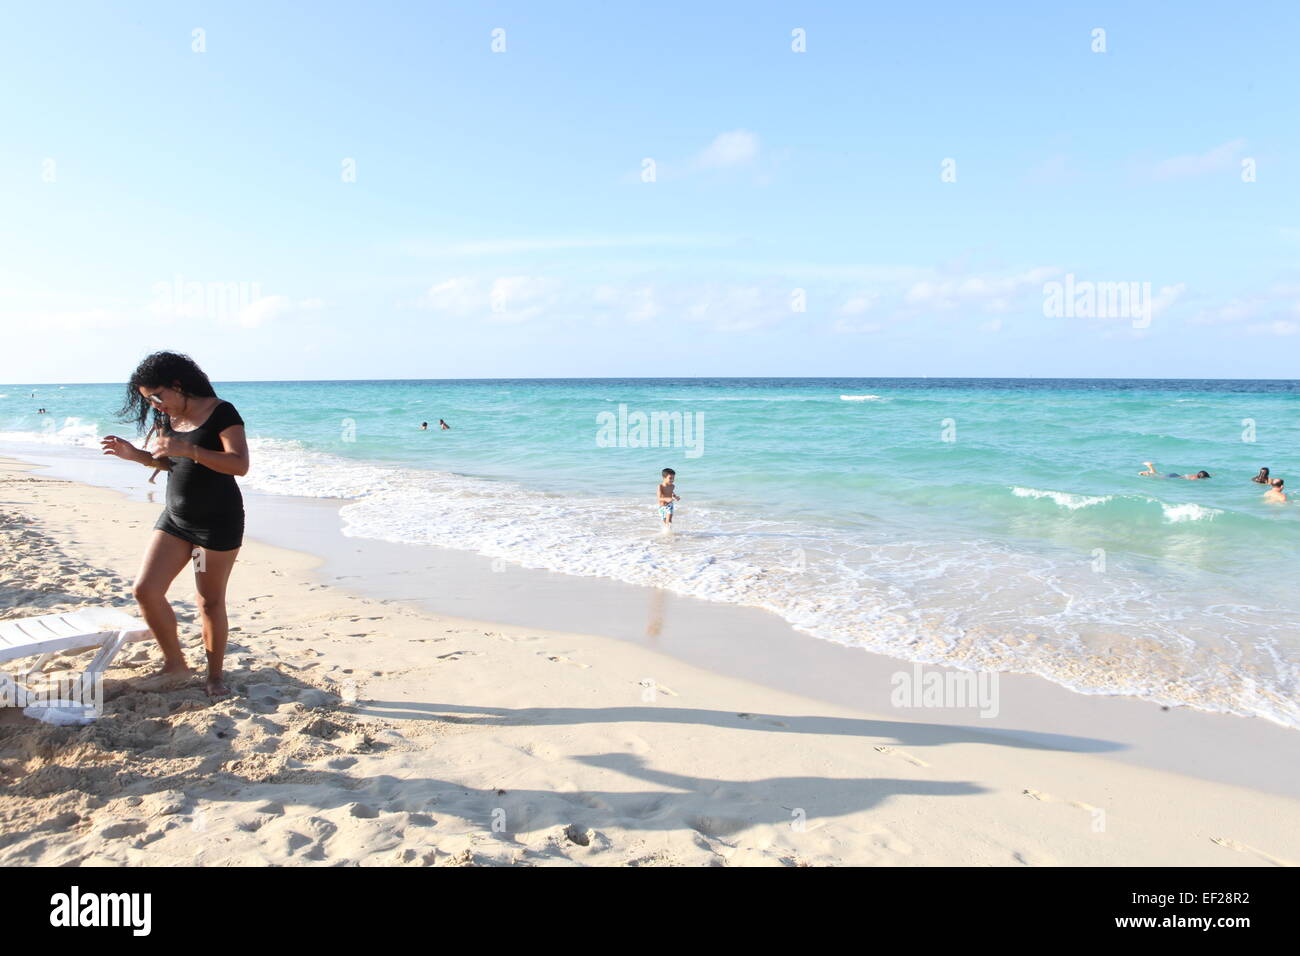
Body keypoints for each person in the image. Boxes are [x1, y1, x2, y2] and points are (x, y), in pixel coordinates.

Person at [99, 351, 249, 698]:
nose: (155, 404)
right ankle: (175, 666)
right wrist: (135, 454)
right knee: (146, 590)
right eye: (148, 399)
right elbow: (171, 464)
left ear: (178, 385)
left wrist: (187, 449)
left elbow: (239, 464)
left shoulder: (221, 412)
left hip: (214, 528)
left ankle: (214, 677)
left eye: (157, 395)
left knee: (208, 602)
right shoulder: (167, 418)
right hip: (176, 521)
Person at [1138, 462, 1210, 479]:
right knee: (1158, 477)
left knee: (1159, 475)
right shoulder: (1195, 478)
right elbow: (1192, 480)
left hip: (1175, 475)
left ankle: (1149, 471)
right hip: (1175, 477)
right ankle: (1149, 468)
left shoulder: (1195, 475)